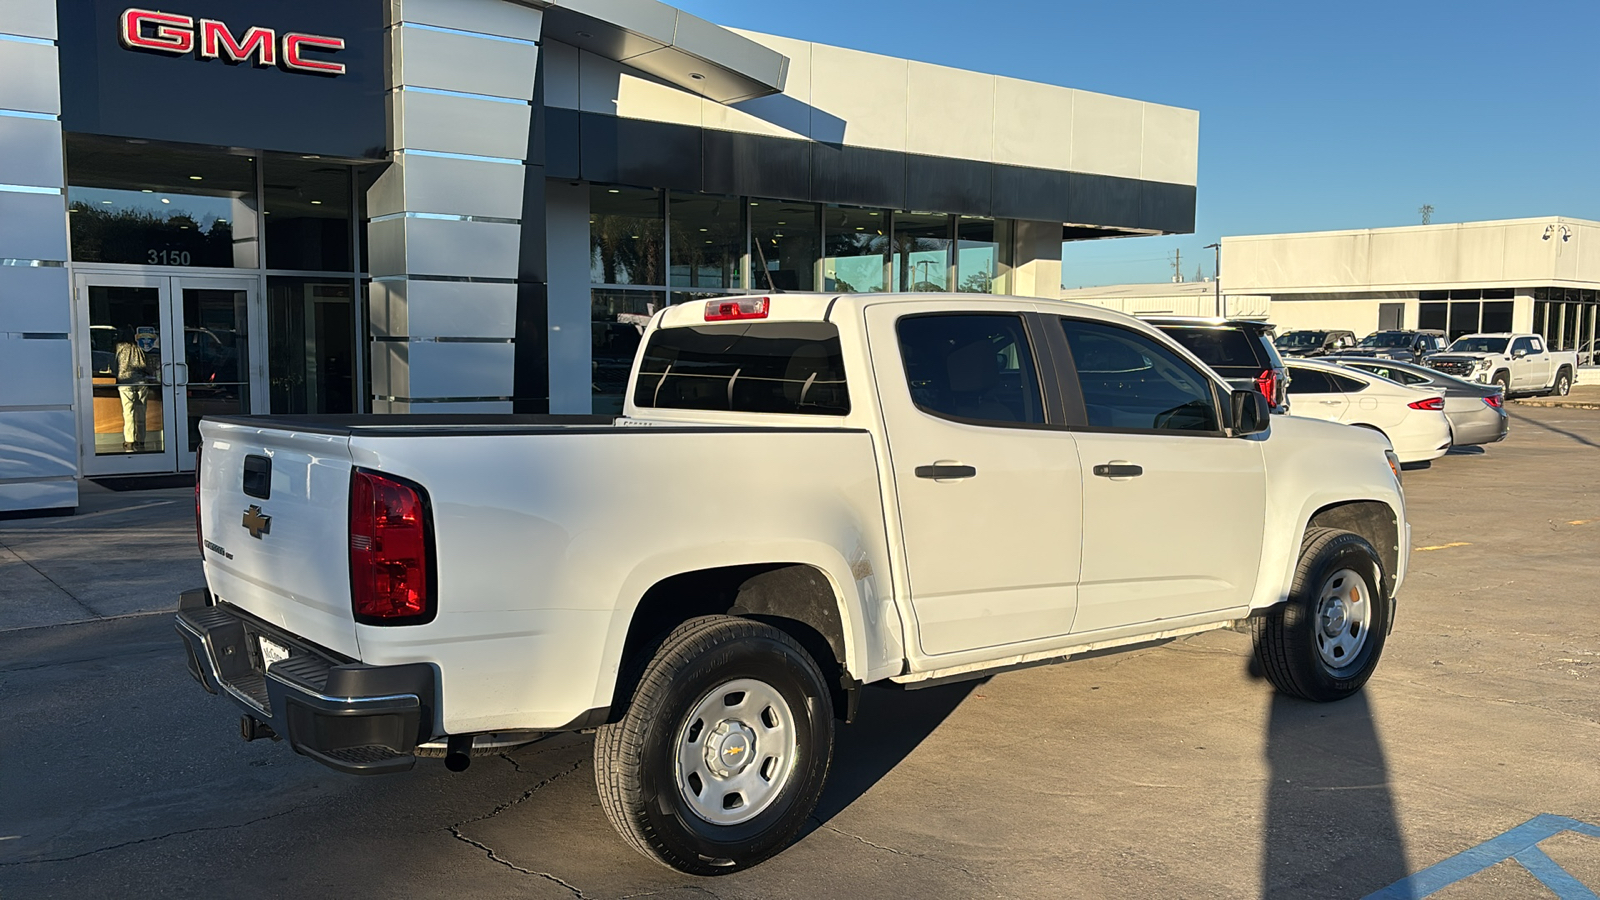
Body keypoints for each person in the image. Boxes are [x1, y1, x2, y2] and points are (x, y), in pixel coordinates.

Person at [114, 327, 159, 452]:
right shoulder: (139, 348)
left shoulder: (120, 348)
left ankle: (129, 440)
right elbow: (144, 365)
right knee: (141, 412)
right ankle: (141, 439)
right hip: (141, 382)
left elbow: (115, 365)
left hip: (125, 382)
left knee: (128, 412)